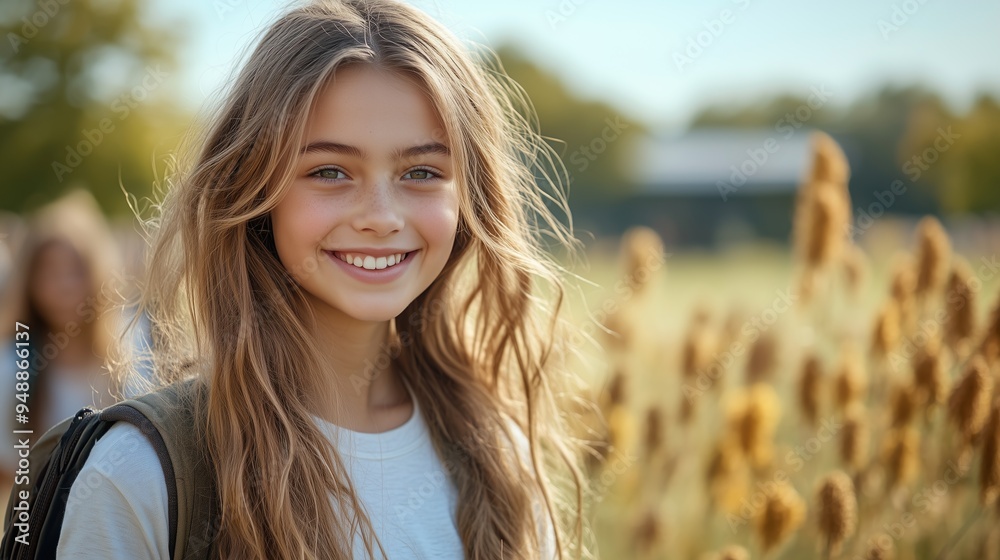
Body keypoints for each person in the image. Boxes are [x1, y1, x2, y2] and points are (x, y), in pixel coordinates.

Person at [56, 0, 590, 558]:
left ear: (470, 200)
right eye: (329, 171)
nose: (381, 216)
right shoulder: (141, 475)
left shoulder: (500, 458)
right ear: (256, 194)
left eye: (422, 172)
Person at [0, 191, 122, 512]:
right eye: (49, 272)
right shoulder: (13, 368)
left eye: (75, 271)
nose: (63, 286)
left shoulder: (129, 361)